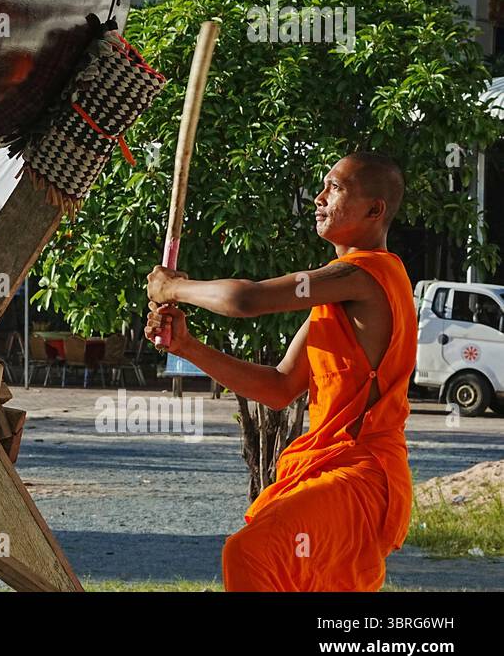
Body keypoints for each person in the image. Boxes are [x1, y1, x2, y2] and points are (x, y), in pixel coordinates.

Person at [145, 152, 415, 591]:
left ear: (374, 210)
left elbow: (246, 301)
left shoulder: (367, 274)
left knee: (250, 553)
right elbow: (278, 387)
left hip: (361, 473)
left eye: (335, 188)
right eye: (323, 187)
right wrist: (188, 347)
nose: (319, 198)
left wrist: (173, 287)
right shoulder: (342, 295)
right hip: (336, 470)